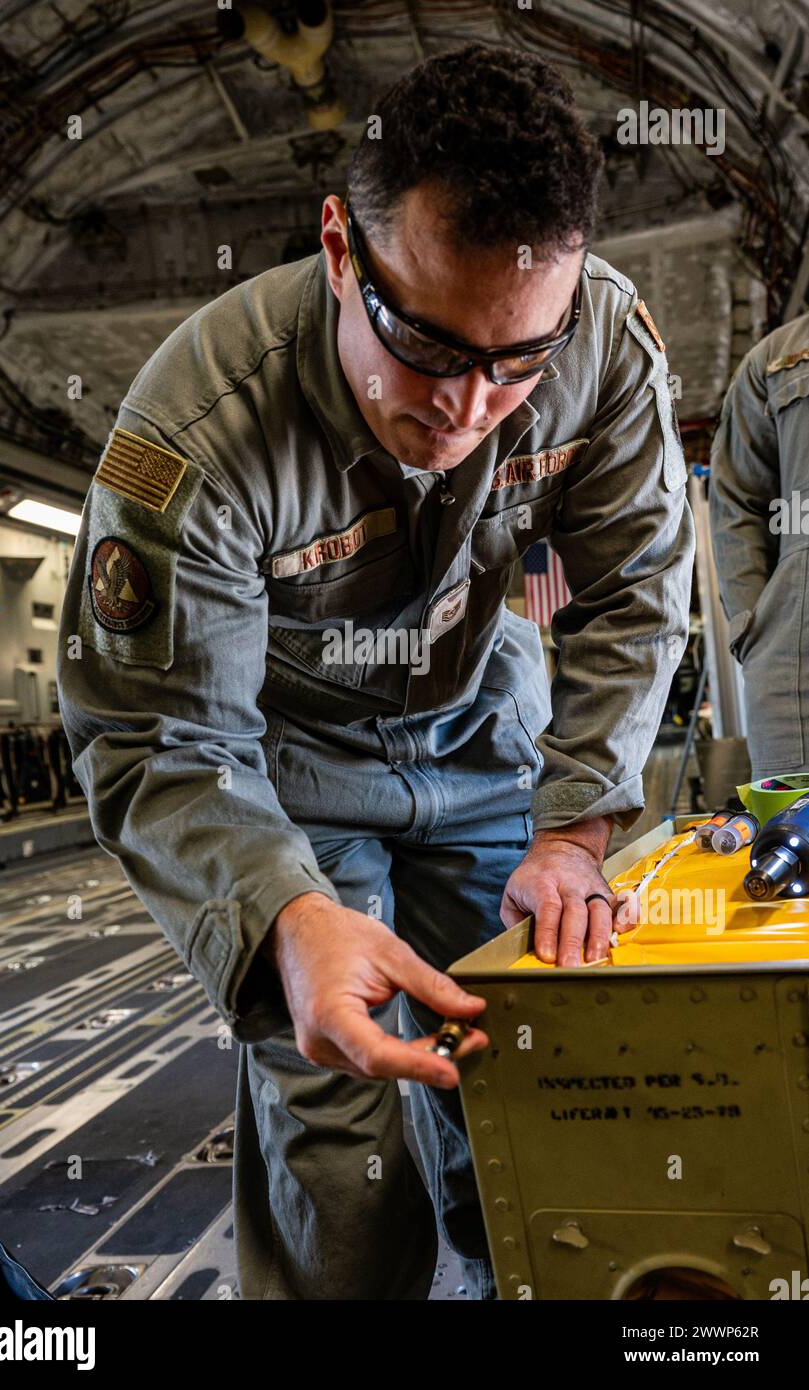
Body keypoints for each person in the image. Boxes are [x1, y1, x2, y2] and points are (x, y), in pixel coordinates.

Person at [56, 42, 695, 1300]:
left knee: (525, 1075)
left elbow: (633, 589)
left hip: (485, 748)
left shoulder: (603, 343)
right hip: (288, 788)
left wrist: (575, 827)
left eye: (518, 363)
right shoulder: (196, 430)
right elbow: (158, 736)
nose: (468, 409)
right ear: (341, 249)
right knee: (338, 1133)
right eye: (429, 347)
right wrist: (282, 918)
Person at [709, 311, 809, 775]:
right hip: (795, 668)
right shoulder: (778, 358)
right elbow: (738, 503)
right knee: (793, 813)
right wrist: (755, 627)